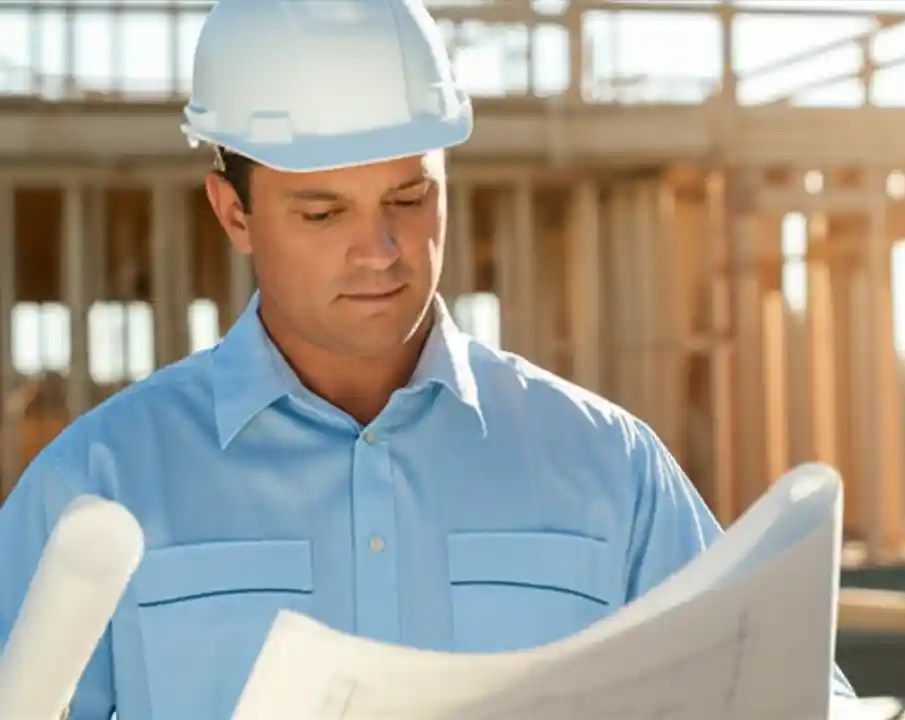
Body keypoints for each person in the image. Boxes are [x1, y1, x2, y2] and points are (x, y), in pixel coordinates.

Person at [0, 1, 856, 717]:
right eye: (324, 213)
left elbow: (788, 700)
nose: (379, 250)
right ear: (234, 212)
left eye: (409, 197)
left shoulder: (606, 468)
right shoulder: (101, 480)